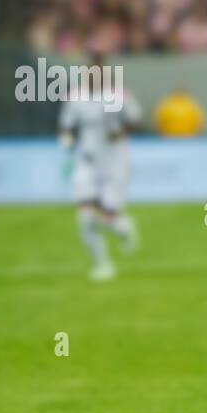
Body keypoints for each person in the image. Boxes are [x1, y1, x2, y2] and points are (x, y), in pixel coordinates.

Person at [59, 60, 142, 281]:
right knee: (85, 216)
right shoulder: (75, 97)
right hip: (87, 160)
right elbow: (67, 127)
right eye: (90, 74)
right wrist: (67, 141)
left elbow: (136, 120)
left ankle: (123, 227)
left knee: (107, 215)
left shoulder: (118, 96)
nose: (94, 78)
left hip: (115, 161)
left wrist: (120, 133)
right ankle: (103, 265)